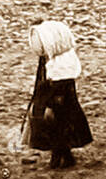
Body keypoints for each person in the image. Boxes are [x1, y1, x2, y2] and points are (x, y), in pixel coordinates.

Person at [25, 20, 92, 170]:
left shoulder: (62, 63)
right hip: (52, 92)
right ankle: (63, 155)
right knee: (54, 123)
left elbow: (62, 82)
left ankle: (60, 155)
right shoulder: (51, 60)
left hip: (58, 94)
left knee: (58, 122)